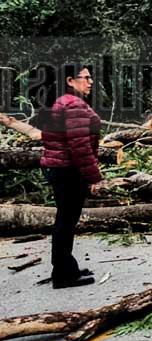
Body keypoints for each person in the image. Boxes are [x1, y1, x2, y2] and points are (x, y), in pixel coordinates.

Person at [36, 65, 104, 289]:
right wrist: (95, 177)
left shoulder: (65, 101)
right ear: (70, 81)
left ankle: (66, 267)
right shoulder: (72, 104)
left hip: (61, 168)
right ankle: (63, 274)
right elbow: (80, 146)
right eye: (85, 78)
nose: (90, 82)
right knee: (66, 220)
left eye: (90, 77)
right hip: (67, 170)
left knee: (66, 219)